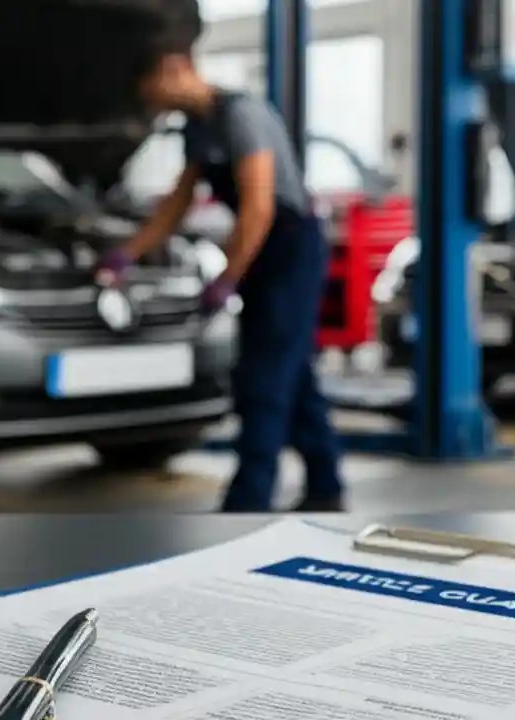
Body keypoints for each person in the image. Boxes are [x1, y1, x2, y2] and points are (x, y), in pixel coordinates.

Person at [97, 34, 345, 513]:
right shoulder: (197, 127)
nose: (148, 102)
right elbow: (177, 202)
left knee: (264, 377)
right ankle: (326, 484)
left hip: (289, 248)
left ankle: (246, 504)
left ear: (173, 69)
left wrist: (228, 276)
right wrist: (127, 253)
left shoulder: (241, 115)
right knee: (292, 373)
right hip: (260, 252)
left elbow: (258, 207)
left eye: (148, 89)